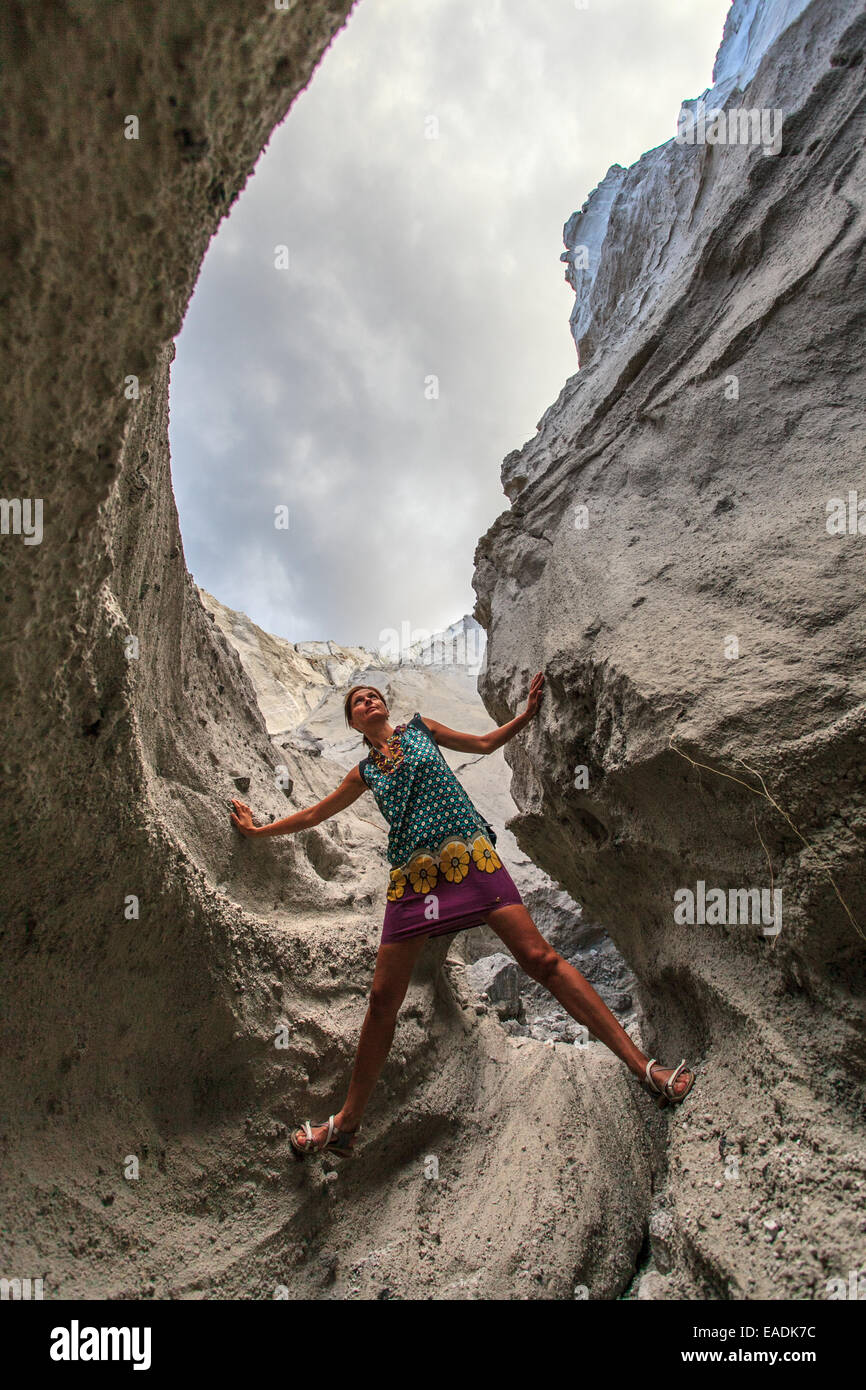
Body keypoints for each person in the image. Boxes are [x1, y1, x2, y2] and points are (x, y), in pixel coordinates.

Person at [229, 673, 695, 1157]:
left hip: (470, 857)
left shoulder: (420, 730)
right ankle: (347, 1125)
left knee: (541, 960)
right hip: (414, 878)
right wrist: (259, 832)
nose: (368, 701)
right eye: (358, 702)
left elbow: (484, 743)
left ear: (384, 707)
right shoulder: (363, 774)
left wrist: (527, 715)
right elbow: (312, 816)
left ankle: (645, 1069)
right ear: (352, 722)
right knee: (381, 999)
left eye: (373, 696)